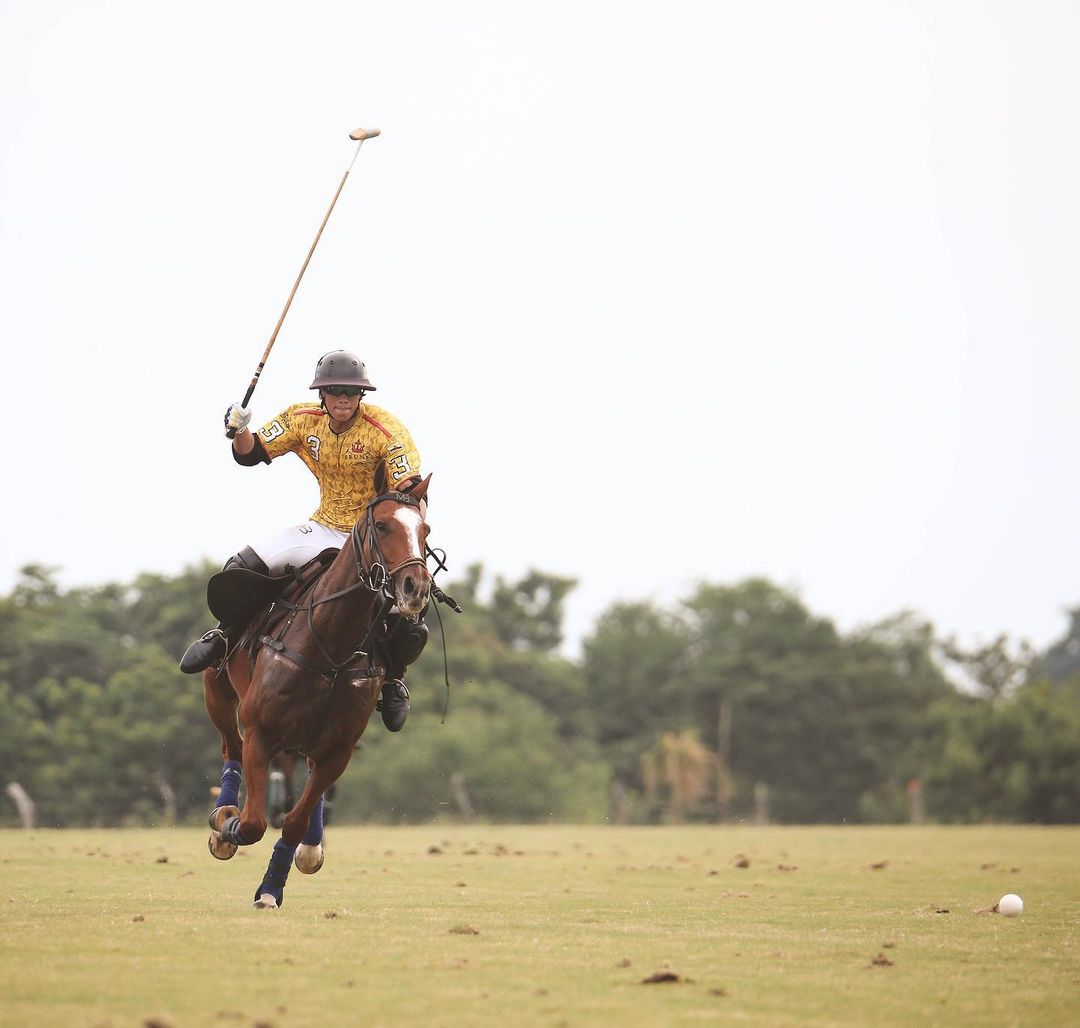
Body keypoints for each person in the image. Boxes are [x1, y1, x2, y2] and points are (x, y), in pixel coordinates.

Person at [179, 350, 427, 732]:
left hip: (373, 540)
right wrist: (238, 430)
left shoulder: (386, 430)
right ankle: (226, 636)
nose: (343, 398)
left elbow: (411, 493)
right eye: (334, 391)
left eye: (351, 391)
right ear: (321, 395)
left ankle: (393, 679)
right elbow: (251, 455)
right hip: (325, 528)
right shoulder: (301, 419)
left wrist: (408, 541)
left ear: (362, 395)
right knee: (242, 566)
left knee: (411, 613)